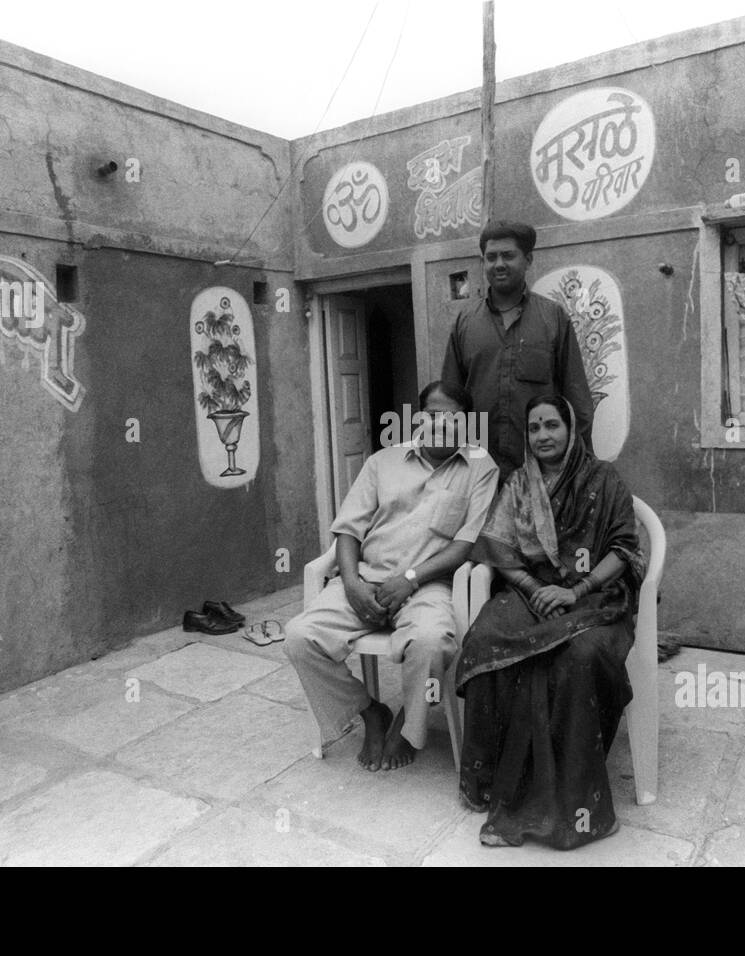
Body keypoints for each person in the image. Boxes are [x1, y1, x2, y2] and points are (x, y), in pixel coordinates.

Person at [455, 394, 646, 849]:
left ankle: (573, 805)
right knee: (485, 639)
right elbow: (499, 549)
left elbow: (624, 549)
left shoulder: (604, 479)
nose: (543, 436)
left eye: (551, 425)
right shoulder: (519, 483)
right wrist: (532, 588)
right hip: (532, 591)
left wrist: (575, 590)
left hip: (595, 597)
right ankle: (492, 780)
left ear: (571, 430)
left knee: (578, 656)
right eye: (534, 428)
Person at [284, 382, 499, 772]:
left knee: (432, 642)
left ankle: (409, 726)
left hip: (429, 585)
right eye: (434, 414)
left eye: (453, 416)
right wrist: (351, 583)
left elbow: (465, 544)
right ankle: (370, 712)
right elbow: (348, 530)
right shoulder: (382, 462)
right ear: (419, 417)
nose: (442, 423)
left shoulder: (481, 468)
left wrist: (411, 578)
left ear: (466, 422)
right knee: (300, 638)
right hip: (366, 577)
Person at [441, 220, 595, 473]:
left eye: (508, 255)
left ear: (528, 259)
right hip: (479, 469)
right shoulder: (464, 322)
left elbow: (576, 397)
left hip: (540, 468)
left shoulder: (553, 318)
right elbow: (449, 399)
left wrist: (580, 464)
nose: (499, 264)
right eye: (491, 257)